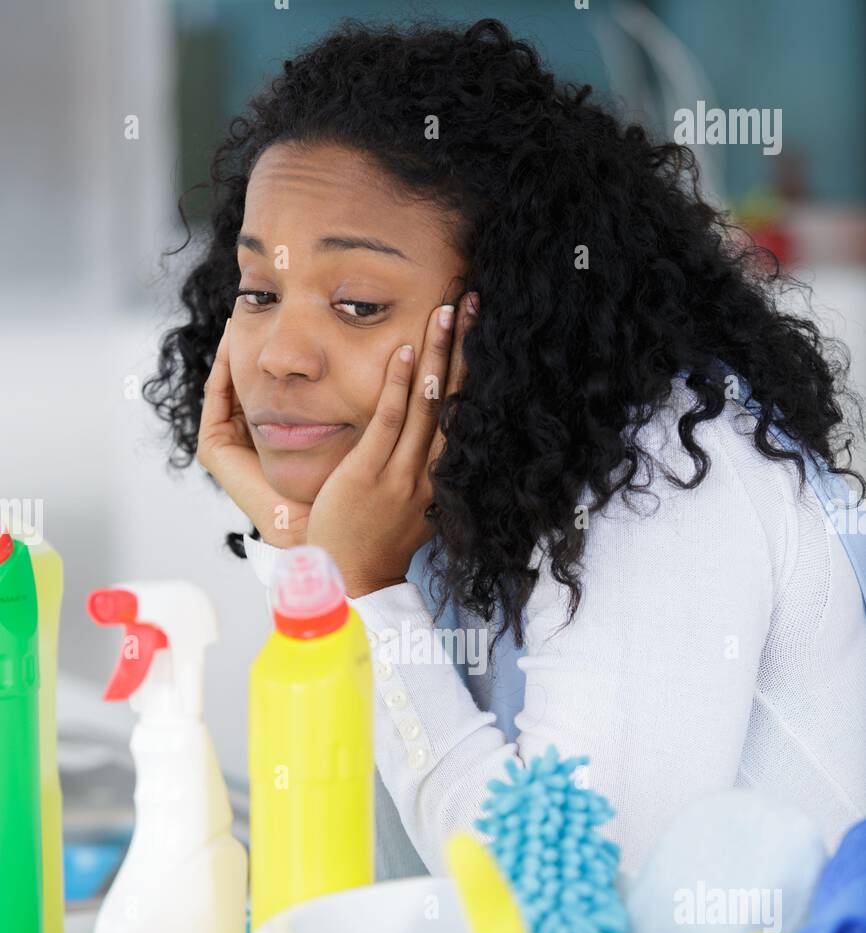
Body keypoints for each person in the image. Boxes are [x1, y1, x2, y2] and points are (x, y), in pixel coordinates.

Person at [144, 18, 866, 882]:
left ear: (513, 313)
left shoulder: (671, 474)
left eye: (360, 304)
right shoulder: (453, 492)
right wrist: (308, 555)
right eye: (259, 290)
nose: (277, 356)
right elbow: (379, 874)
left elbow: (557, 899)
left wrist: (355, 590)